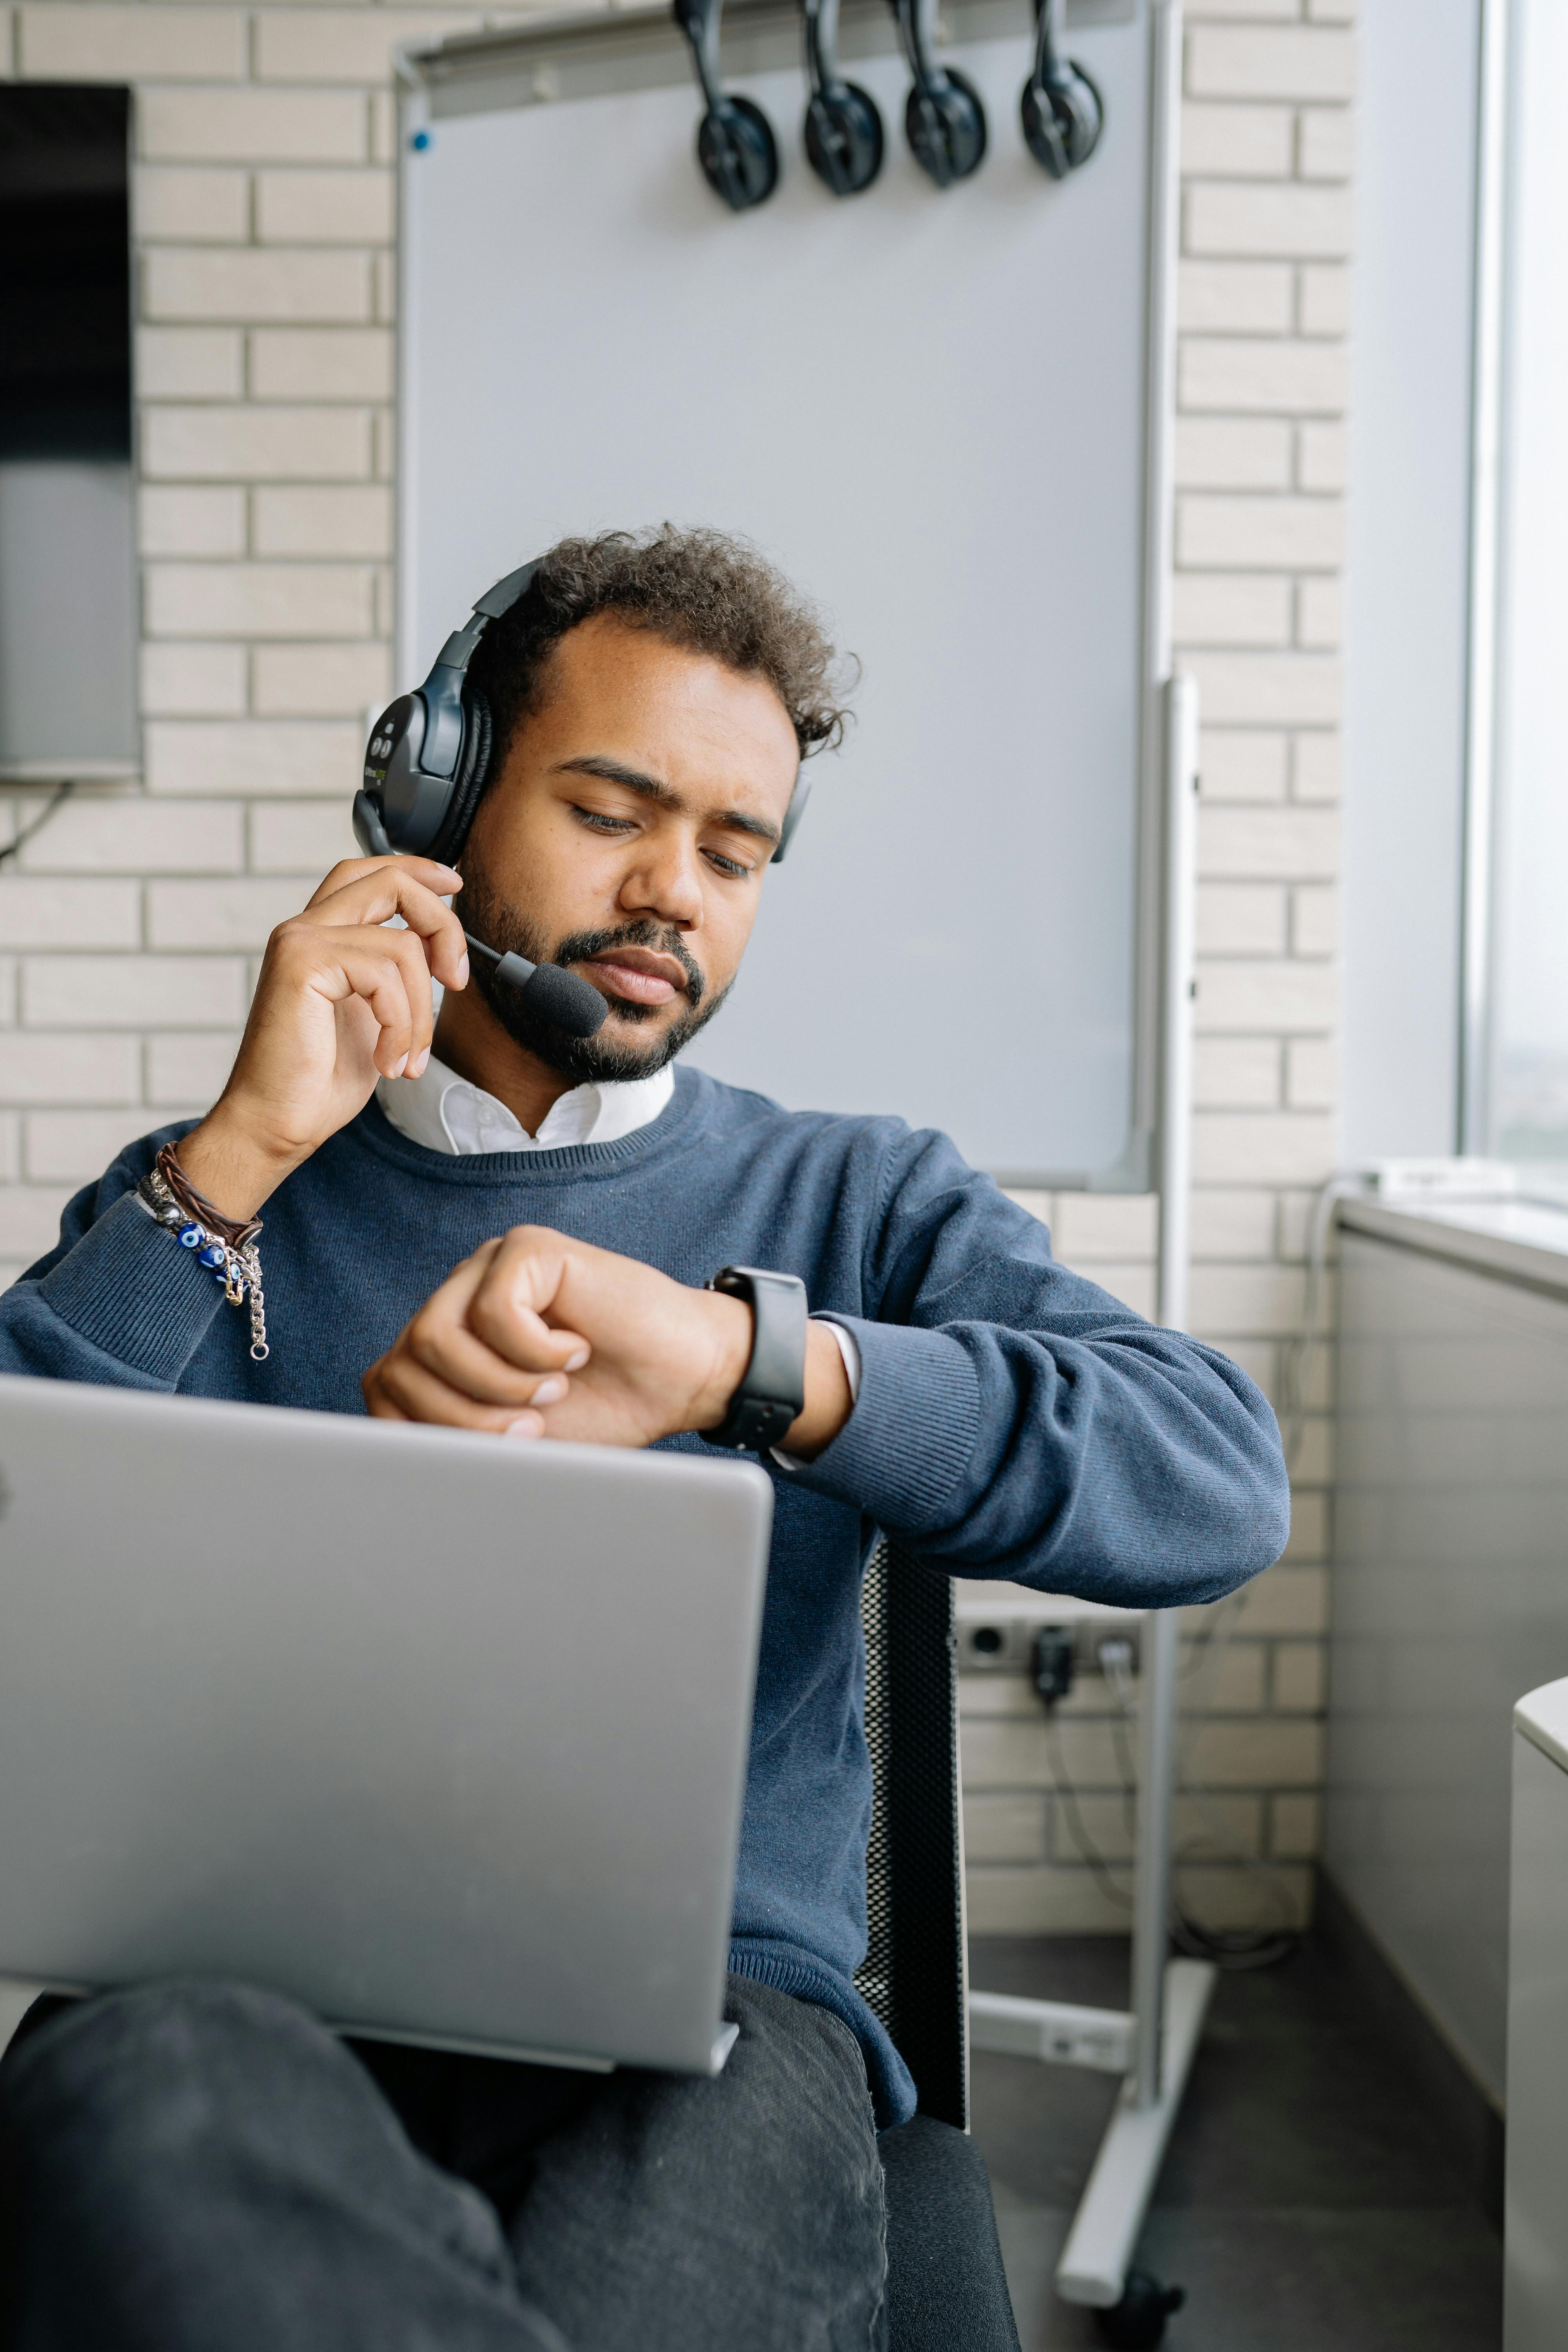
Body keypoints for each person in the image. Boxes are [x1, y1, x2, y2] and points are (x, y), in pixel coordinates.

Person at [0, 527, 1290, 2352]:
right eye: (611, 814)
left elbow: (1218, 1478)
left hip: (710, 2025)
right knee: (141, 2134)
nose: (675, 890)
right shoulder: (214, 1195)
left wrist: (741, 1364)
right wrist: (234, 1159)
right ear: (436, 801)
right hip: (236, 2004)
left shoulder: (859, 1197)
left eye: (733, 850)